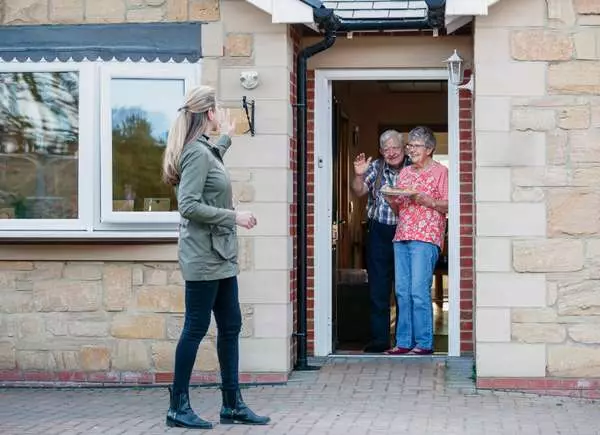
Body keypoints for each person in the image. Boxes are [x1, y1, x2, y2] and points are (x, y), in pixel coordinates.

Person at [162, 85, 270, 428]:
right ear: (208, 113)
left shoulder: (206, 151)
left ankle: (232, 405)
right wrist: (234, 216)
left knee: (231, 326)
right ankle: (178, 407)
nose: (221, 113)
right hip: (203, 257)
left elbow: (211, 170)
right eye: (218, 109)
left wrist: (225, 137)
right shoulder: (195, 152)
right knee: (195, 328)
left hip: (220, 255)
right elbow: (189, 205)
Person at [383, 126, 448, 356]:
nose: (410, 150)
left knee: (418, 291)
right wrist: (391, 199)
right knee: (402, 291)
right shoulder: (405, 173)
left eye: (415, 145)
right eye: (409, 145)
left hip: (426, 236)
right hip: (402, 235)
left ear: (429, 149)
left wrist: (427, 200)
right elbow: (399, 208)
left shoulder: (441, 172)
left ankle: (424, 343)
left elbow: (449, 204)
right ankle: (403, 342)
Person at [351, 129, 409, 353]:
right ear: (381, 151)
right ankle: (380, 340)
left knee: (404, 288)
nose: (392, 152)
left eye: (395, 147)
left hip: (406, 231)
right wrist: (358, 175)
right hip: (379, 232)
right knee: (378, 288)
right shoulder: (375, 167)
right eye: (387, 149)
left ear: (403, 148)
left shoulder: (413, 168)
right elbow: (358, 191)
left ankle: (405, 340)